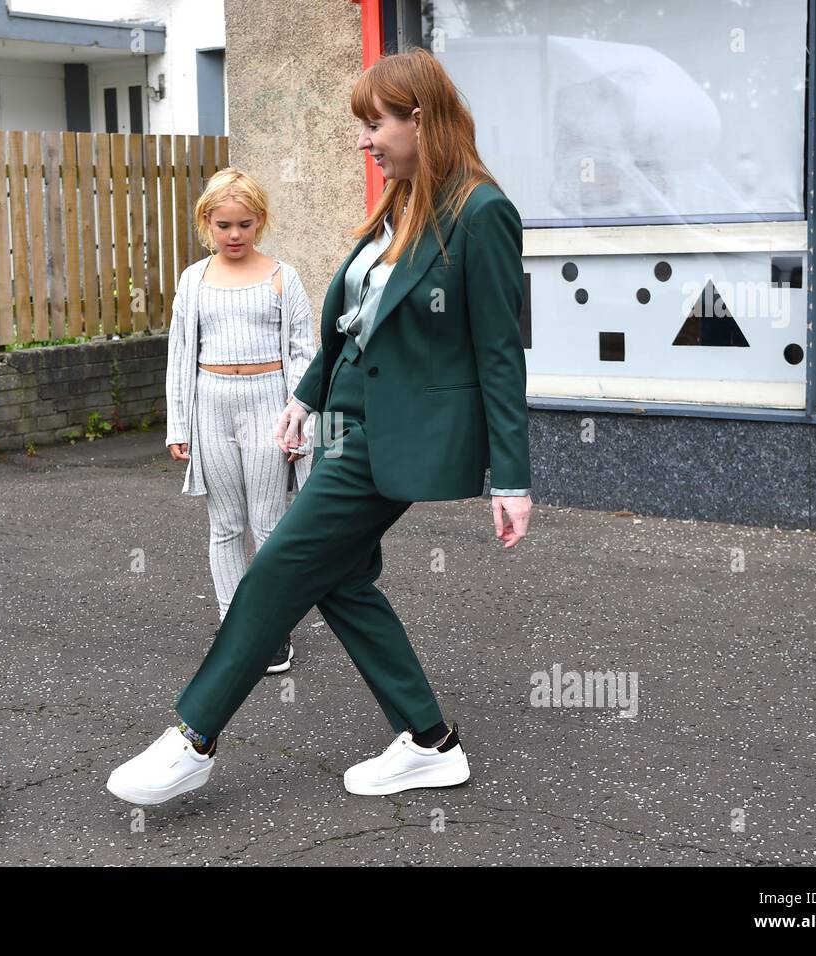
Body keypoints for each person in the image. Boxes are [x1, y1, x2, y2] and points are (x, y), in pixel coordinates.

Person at [108, 47, 532, 806]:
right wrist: (304, 400)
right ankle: (430, 742)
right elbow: (352, 326)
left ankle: (193, 737)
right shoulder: (400, 199)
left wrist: (514, 475)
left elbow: (500, 351)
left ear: (420, 118)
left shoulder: (480, 211)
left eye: (375, 124)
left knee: (279, 564)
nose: (363, 140)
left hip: (394, 438)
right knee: (340, 579)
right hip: (343, 421)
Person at [162, 168, 317, 673]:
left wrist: (301, 422)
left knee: (270, 525)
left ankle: (272, 631)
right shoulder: (193, 279)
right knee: (225, 524)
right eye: (224, 224)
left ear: (260, 222)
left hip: (268, 403)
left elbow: (302, 353)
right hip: (210, 402)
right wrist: (178, 424)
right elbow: (181, 352)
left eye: (244, 224)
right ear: (206, 222)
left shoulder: (282, 277)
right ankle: (234, 625)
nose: (234, 235)